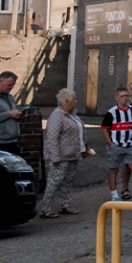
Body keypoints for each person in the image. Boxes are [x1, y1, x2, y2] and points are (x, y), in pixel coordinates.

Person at [40, 89, 87, 217]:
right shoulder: (57, 116)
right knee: (54, 181)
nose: (76, 101)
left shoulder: (71, 114)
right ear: (66, 101)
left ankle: (65, 205)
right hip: (61, 155)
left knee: (68, 180)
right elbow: (52, 138)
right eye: (74, 99)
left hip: (72, 154)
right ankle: (45, 208)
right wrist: (55, 157)